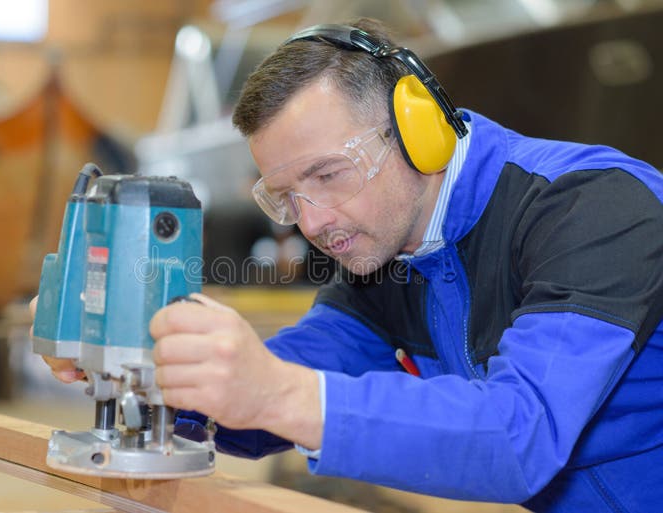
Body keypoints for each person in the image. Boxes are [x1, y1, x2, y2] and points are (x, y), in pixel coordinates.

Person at [36, 18, 663, 512]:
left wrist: (279, 394)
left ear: (421, 129)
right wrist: (156, 376)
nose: (311, 223)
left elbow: (520, 434)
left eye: (328, 175)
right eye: (285, 197)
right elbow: (304, 366)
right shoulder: (383, 254)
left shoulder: (591, 208)